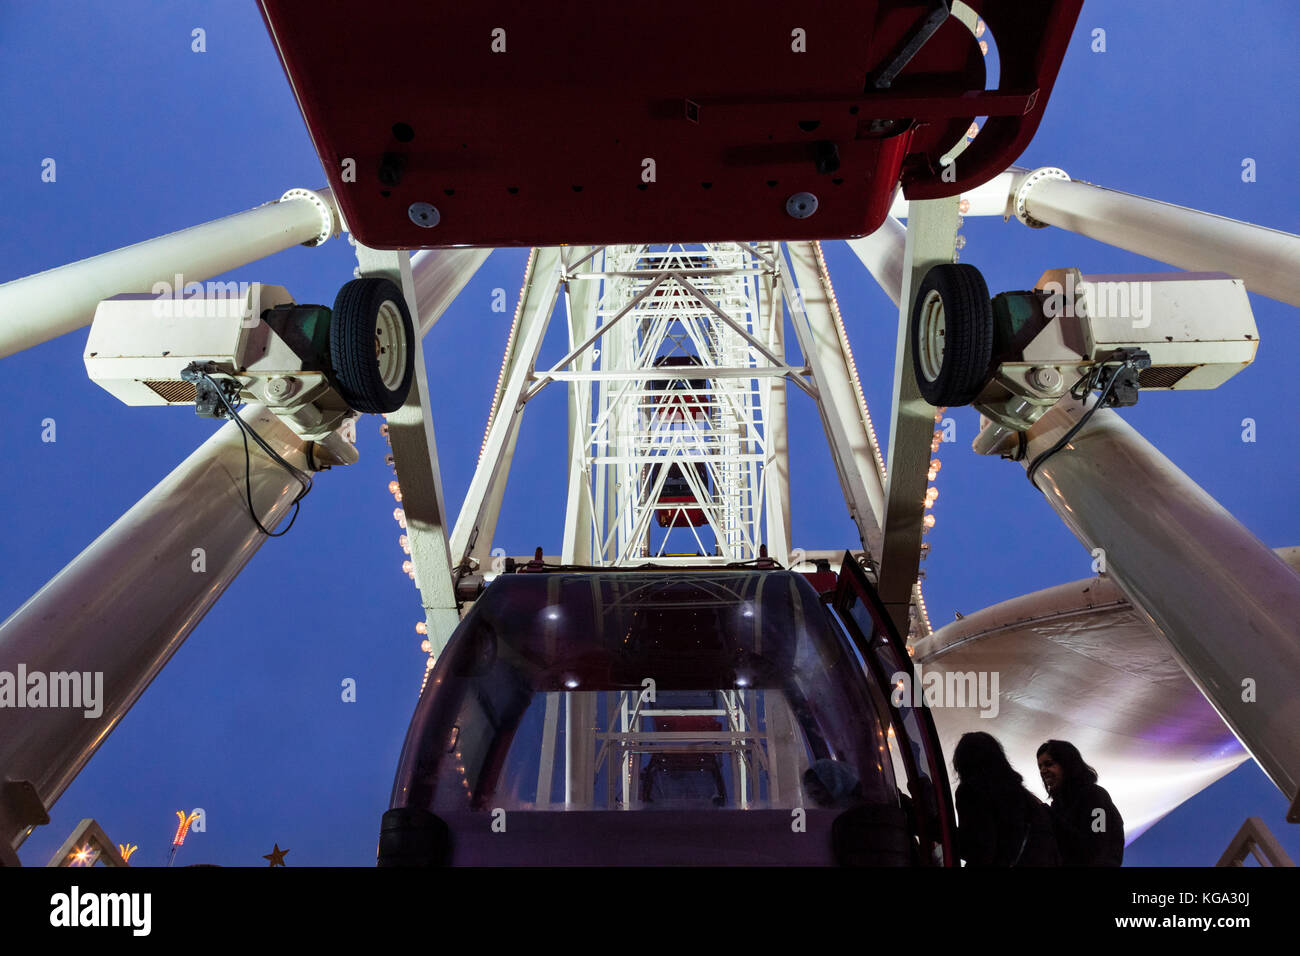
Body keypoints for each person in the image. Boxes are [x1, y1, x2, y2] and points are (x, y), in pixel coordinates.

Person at [952, 732, 1059, 867]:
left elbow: (978, 850)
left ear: (963, 762)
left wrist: (936, 830)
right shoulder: (1024, 796)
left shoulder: (971, 791)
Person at [1036, 739, 1124, 866]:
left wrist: (1046, 812)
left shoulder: (1096, 796)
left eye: (1048, 764)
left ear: (1067, 764)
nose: (1043, 771)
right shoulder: (1057, 805)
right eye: (1040, 766)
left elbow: (1096, 848)